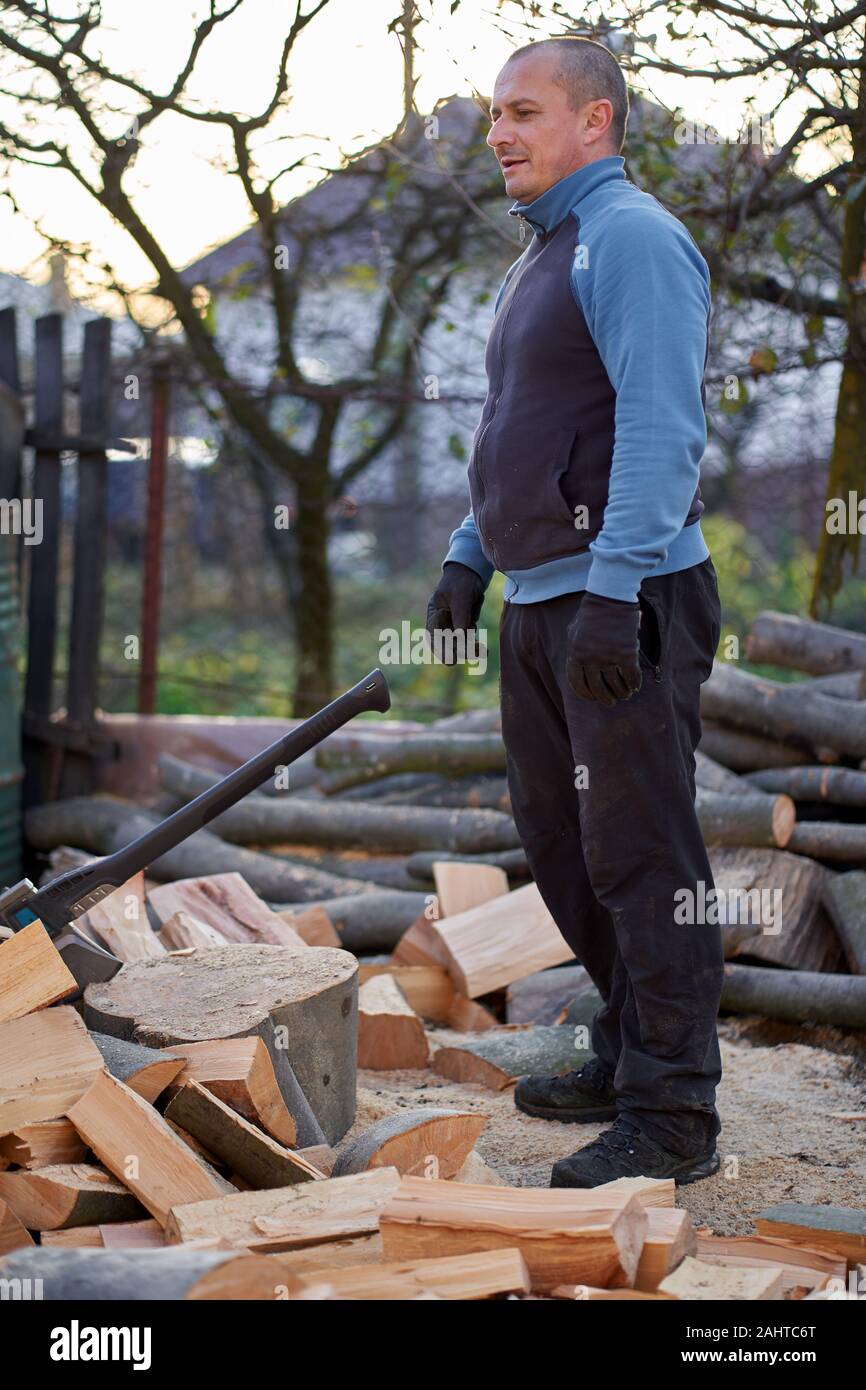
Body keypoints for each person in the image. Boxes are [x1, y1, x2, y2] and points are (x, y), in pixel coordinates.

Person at [426, 36, 724, 1188]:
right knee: (561, 847)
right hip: (544, 600)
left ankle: (673, 1115)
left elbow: (660, 426)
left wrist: (614, 594)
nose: (497, 132)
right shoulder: (542, 254)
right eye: (494, 113)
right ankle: (626, 1048)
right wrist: (467, 555)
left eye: (522, 111)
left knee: (644, 855)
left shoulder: (632, 239)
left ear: (593, 121)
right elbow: (513, 422)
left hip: (625, 599)